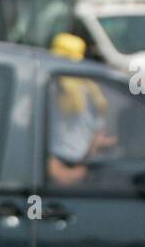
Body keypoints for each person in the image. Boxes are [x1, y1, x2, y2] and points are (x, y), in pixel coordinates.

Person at [47, 32, 116, 187]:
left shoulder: (47, 87)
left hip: (48, 165)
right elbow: (98, 135)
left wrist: (51, 166)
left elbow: (23, 125)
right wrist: (84, 167)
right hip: (81, 165)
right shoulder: (93, 91)